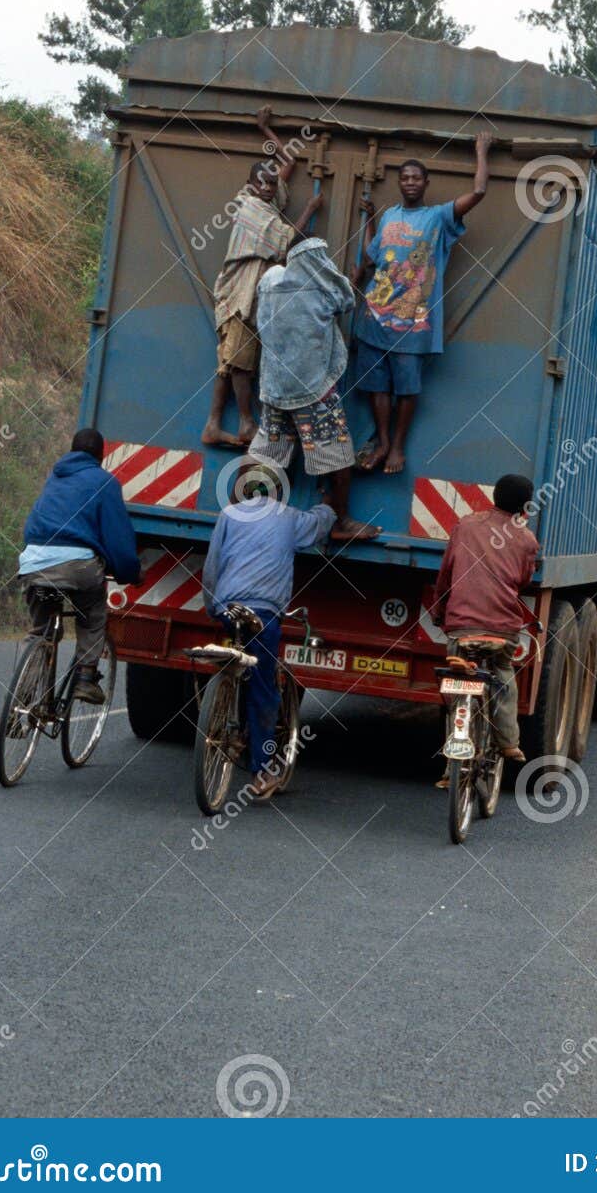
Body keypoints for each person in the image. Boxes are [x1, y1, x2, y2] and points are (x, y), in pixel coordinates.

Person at [352, 131, 491, 474]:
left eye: (416, 178)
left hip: (413, 321)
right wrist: (370, 219)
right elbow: (374, 256)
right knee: (376, 385)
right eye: (405, 178)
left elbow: (479, 192)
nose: (410, 182)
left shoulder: (438, 218)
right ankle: (383, 442)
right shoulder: (389, 217)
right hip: (375, 316)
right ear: (399, 183)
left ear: (426, 183)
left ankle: (397, 447)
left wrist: (481, 150)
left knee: (408, 388)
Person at [201, 479, 337, 800]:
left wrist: (212, 607)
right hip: (263, 613)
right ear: (280, 493)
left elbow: (212, 564)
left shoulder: (229, 514)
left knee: (238, 660)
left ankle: (222, 700)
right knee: (263, 690)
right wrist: (330, 504)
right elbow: (319, 525)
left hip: (227, 607)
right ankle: (262, 773)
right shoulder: (288, 516)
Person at [202, 106, 321, 450]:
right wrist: (311, 209)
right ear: (251, 185)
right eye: (263, 183)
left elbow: (287, 164)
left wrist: (264, 129)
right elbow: (286, 243)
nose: (270, 187)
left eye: (272, 183)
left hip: (248, 297)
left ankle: (212, 425)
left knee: (228, 362)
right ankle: (245, 422)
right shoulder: (252, 209)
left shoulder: (264, 202)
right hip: (241, 297)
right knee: (240, 363)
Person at [250, 236, 379, 542]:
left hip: (274, 388)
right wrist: (355, 277)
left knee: (267, 452)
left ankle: (246, 512)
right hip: (312, 389)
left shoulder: (270, 279)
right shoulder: (321, 288)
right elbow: (345, 299)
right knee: (338, 453)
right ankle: (341, 520)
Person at [428, 472, 538, 783]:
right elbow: (523, 580)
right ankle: (509, 744)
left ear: (494, 497)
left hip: (461, 628)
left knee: (456, 689)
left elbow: (446, 575)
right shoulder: (527, 540)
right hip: (501, 630)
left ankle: (453, 764)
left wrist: (440, 613)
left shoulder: (466, 525)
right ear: (525, 507)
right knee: (503, 678)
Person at [18, 428, 140, 705]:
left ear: (72, 451)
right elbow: (118, 540)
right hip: (77, 567)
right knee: (93, 612)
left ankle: (19, 703)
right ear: (101, 455)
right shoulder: (104, 482)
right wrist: (131, 573)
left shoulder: (54, 478)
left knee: (41, 631)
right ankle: (85, 677)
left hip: (34, 563)